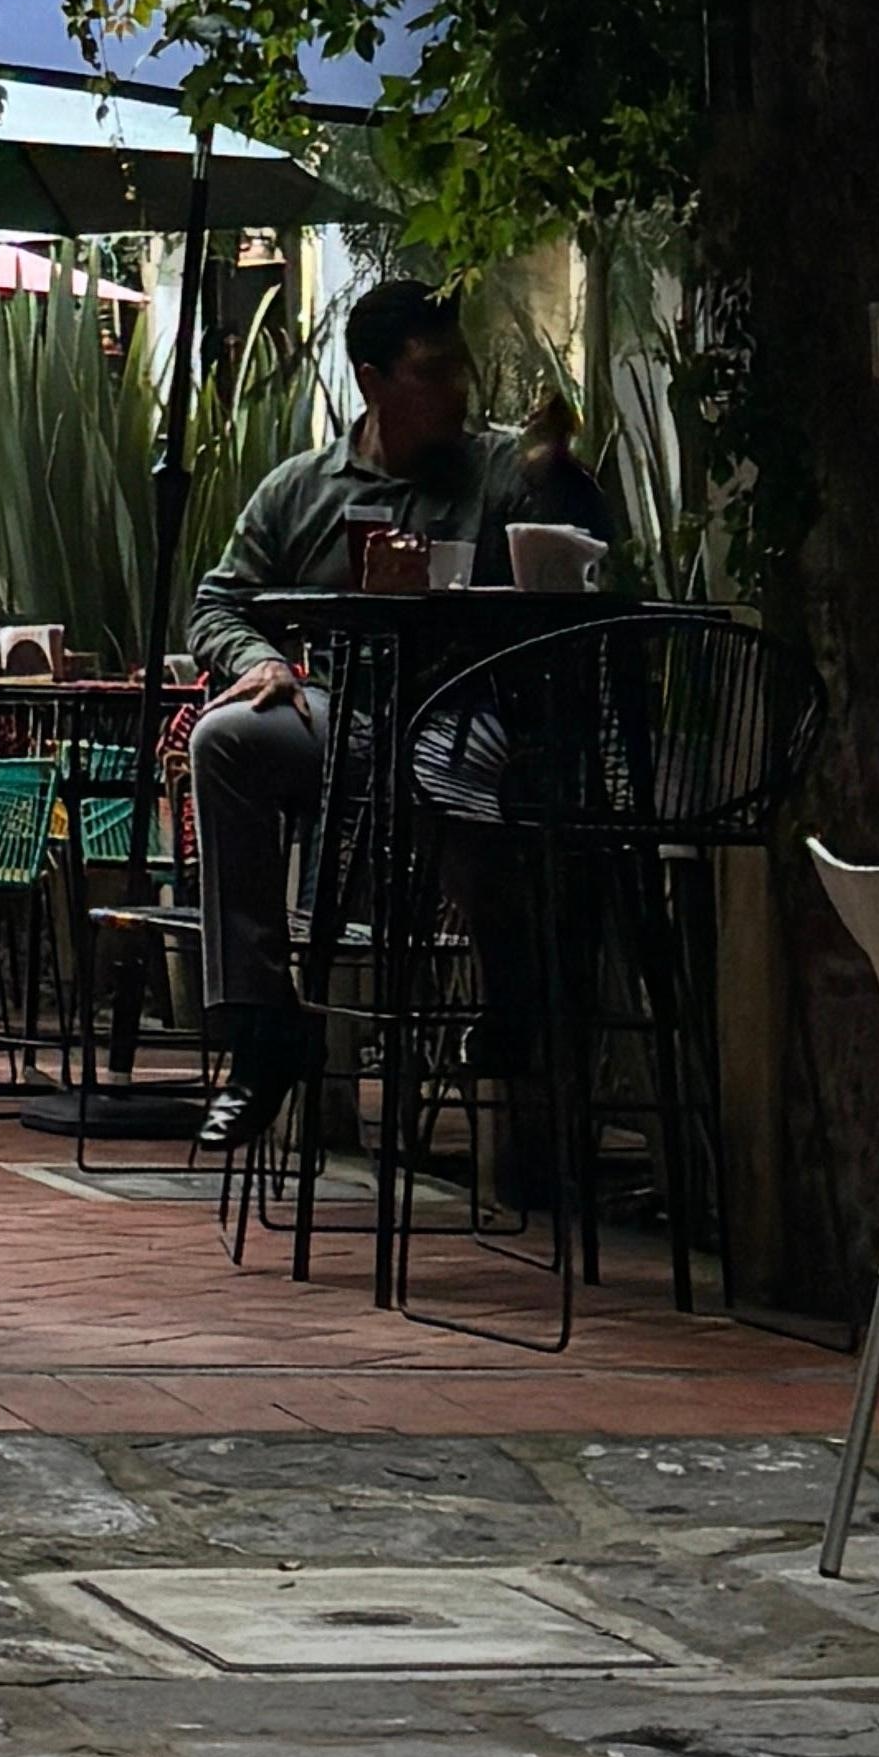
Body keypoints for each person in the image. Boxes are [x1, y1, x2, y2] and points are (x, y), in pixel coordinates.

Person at [181, 278, 610, 1139]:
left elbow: (581, 555)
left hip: (469, 717)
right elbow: (215, 602)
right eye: (433, 372)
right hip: (343, 714)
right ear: (373, 381)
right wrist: (260, 659)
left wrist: (558, 474)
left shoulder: (501, 470)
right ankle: (262, 1030)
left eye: (462, 368)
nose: (458, 390)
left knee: (458, 763)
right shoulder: (302, 490)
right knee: (225, 738)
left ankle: (512, 995)